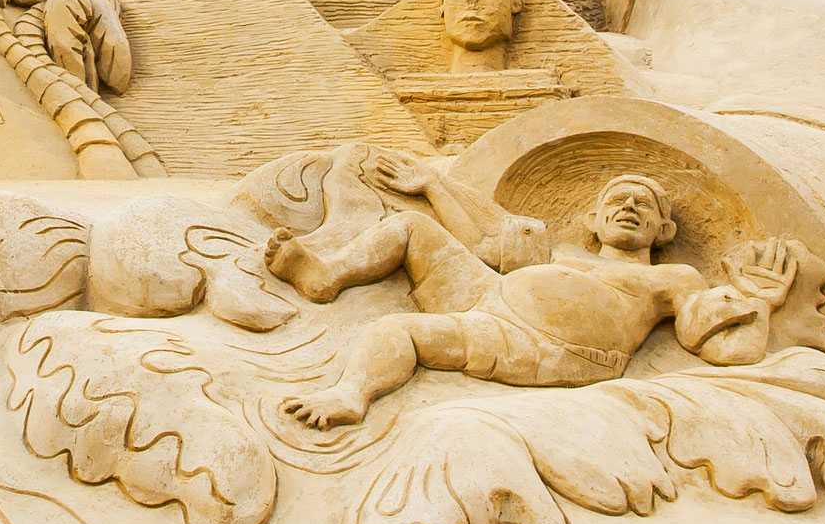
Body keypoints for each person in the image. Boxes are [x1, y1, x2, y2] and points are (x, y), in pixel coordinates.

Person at [278, 173, 699, 426]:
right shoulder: (561, 254)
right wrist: (433, 186)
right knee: (413, 225)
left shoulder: (671, 277)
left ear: (664, 231)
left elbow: (712, 339)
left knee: (397, 329)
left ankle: (351, 395)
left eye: (641, 203)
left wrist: (757, 299)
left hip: (545, 345)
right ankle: (325, 275)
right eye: (616, 200)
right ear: (594, 220)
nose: (627, 205)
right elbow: (478, 247)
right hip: (489, 295)